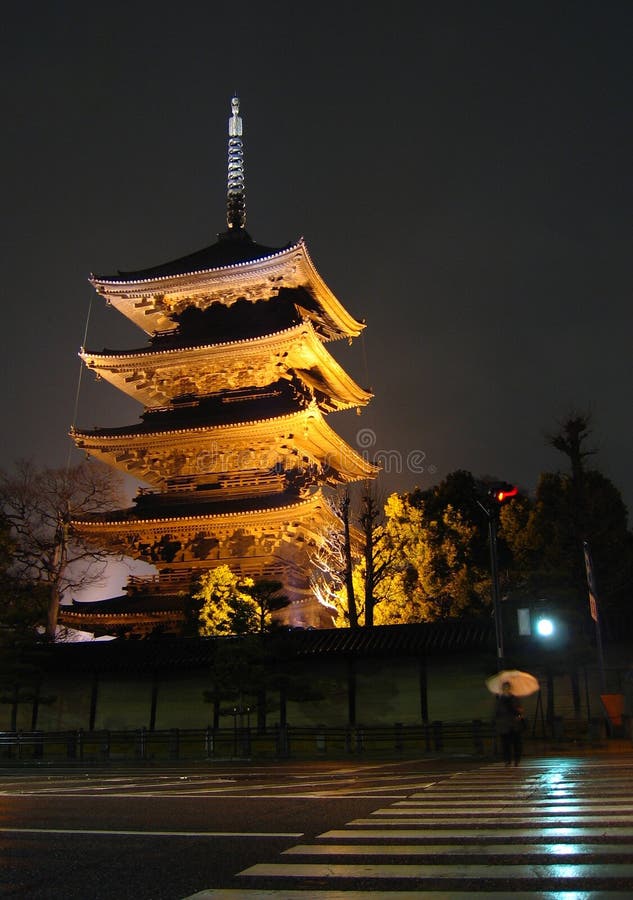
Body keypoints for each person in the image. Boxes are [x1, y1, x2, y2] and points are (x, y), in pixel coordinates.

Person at [494, 681, 524, 766]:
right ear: (503, 689)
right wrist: (497, 722)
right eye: (504, 688)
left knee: (516, 744)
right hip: (504, 725)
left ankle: (516, 759)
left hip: (514, 724)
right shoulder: (499, 700)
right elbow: (496, 712)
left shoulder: (515, 698)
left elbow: (520, 709)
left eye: (507, 687)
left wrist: (519, 712)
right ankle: (507, 760)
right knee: (505, 744)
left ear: (510, 688)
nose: (506, 689)